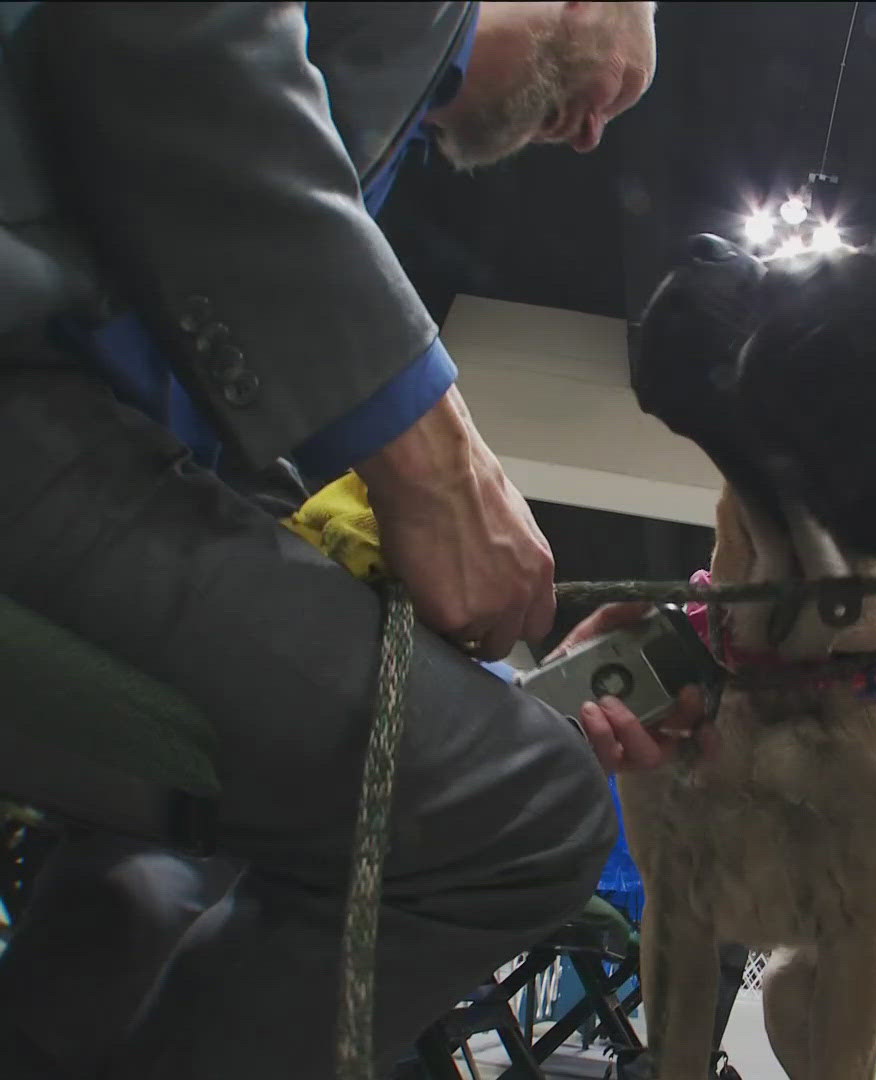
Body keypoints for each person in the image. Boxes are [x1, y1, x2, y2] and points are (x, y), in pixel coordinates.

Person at [0, 4, 688, 1077]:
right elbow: (168, 31)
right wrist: (433, 456)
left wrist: (502, 690)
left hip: (67, 425)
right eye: (623, 83)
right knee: (532, 813)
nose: (597, 136)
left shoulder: (361, 104)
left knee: (183, 870)